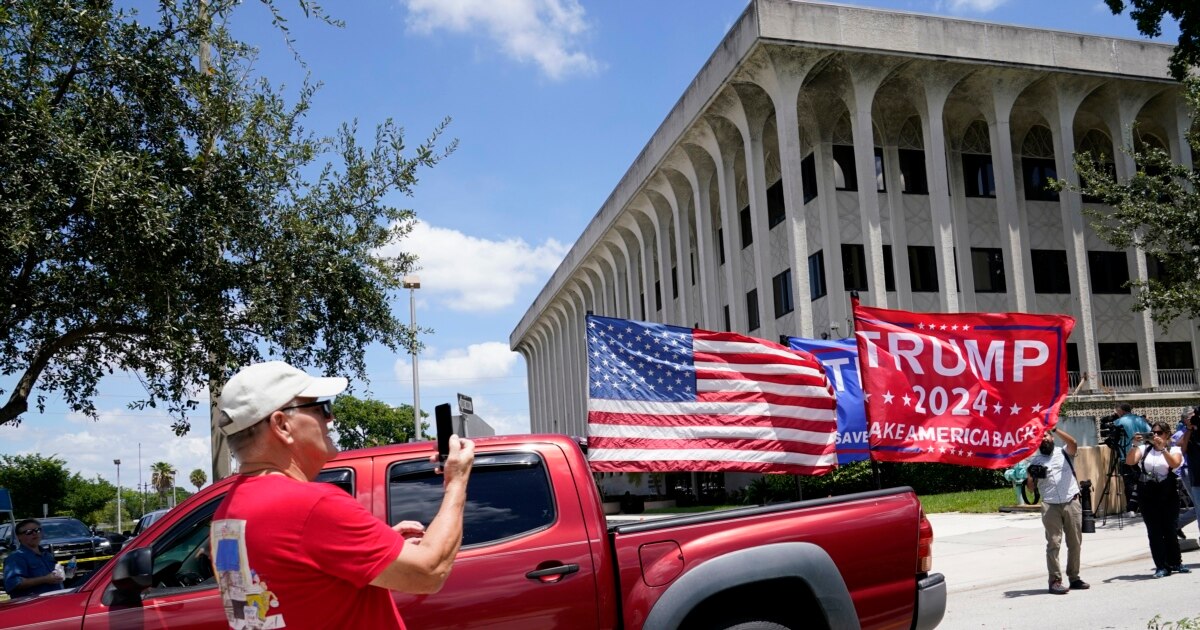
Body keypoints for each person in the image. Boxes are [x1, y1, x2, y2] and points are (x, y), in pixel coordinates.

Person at [210, 361, 474, 629]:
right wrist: (457, 481)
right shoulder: (312, 505)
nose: (330, 418)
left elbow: (286, 587)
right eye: (320, 408)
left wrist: (371, 547)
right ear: (282, 425)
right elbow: (429, 572)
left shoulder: (225, 516)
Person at [1025, 425, 1089, 595]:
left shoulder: (1064, 453)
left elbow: (1074, 442)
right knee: (1053, 543)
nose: (1044, 439)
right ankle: (1054, 581)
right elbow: (1031, 489)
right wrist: (1031, 476)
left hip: (1071, 501)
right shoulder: (1035, 461)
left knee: (1075, 542)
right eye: (1040, 437)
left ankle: (1074, 578)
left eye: (1046, 436)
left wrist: (1054, 429)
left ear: (1052, 438)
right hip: (1050, 505)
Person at [1125, 420, 1190, 578]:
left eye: (1159, 433)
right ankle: (1161, 566)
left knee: (1169, 529)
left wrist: (1162, 450)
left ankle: (1175, 562)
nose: (1155, 435)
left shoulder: (1173, 449)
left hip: (1167, 493)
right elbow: (1130, 461)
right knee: (1154, 531)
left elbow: (1175, 463)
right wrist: (1134, 445)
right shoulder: (1144, 449)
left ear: (1167, 435)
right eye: (1153, 432)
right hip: (1147, 494)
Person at [2, 519, 65, 597]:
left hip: (55, 600)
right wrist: (45, 579)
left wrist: (67, 573)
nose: (34, 533)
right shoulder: (15, 558)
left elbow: (53, 577)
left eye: (37, 530)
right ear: (19, 537)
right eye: (29, 532)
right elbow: (13, 583)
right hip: (33, 606)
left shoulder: (47, 555)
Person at [1114, 402, 1151, 513]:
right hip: (1143, 454)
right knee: (1143, 481)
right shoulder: (1140, 419)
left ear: (1121, 411)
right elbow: (1150, 432)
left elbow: (1114, 436)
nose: (1116, 413)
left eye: (1117, 411)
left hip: (1127, 454)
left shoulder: (1118, 422)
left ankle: (1132, 508)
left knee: (1129, 482)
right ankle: (1144, 505)